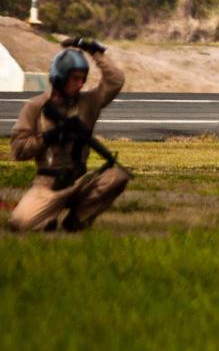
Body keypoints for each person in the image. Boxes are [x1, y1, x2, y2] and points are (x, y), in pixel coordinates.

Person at [9, 36, 129, 233]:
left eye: (83, 78)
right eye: (75, 78)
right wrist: (49, 136)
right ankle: (47, 217)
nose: (81, 84)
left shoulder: (88, 103)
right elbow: (19, 150)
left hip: (79, 179)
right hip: (47, 183)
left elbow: (115, 81)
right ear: (60, 77)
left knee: (117, 177)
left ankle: (75, 221)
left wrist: (95, 51)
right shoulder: (34, 107)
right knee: (20, 224)